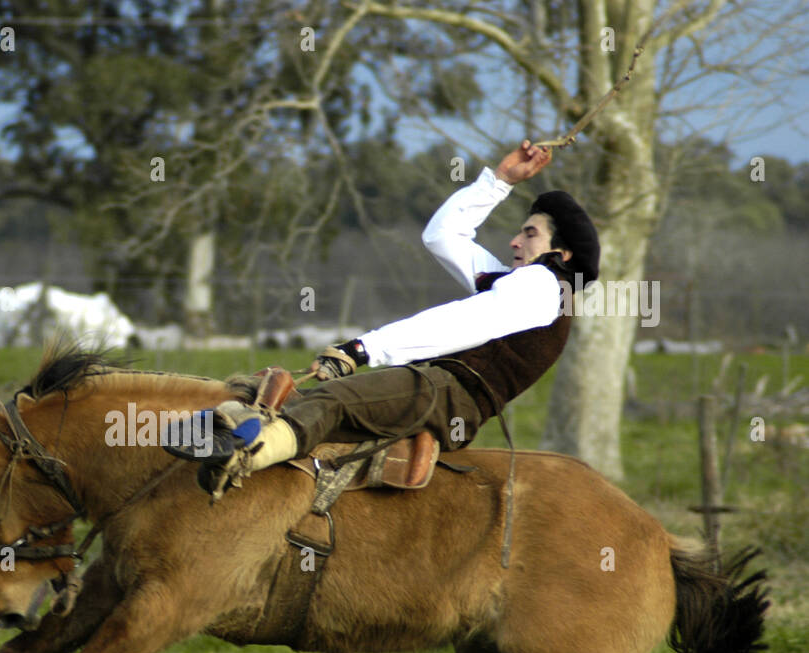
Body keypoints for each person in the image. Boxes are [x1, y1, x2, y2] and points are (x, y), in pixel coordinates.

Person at [165, 140, 600, 496]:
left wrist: (362, 349)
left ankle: (244, 455)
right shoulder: (520, 285)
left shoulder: (542, 285)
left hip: (449, 394)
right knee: (326, 404)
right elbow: (444, 236)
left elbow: (460, 323)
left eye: (529, 233)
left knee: (333, 400)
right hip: (441, 390)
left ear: (559, 254)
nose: (513, 240)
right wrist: (500, 180)